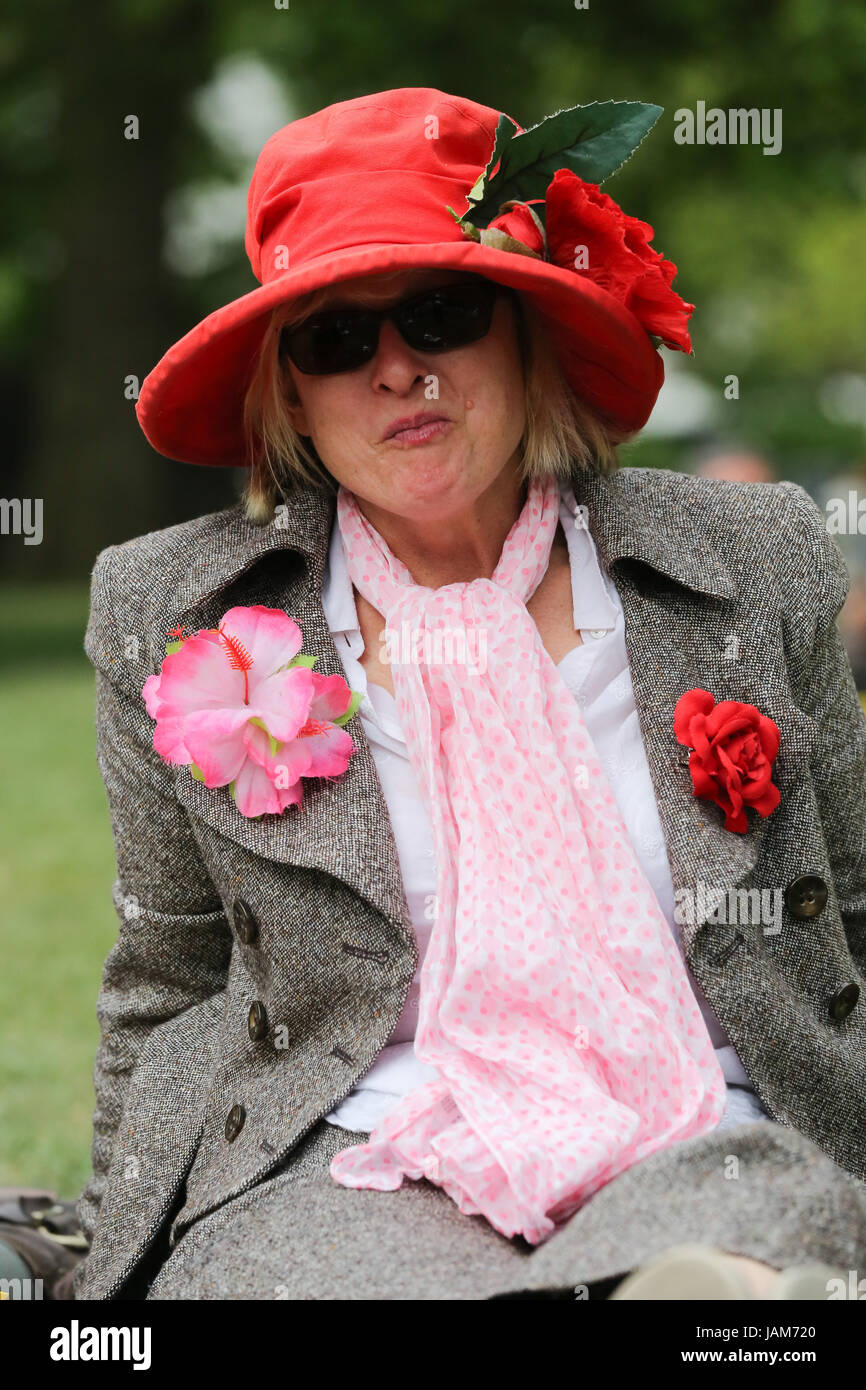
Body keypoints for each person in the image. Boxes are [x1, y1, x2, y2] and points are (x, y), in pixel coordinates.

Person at [71, 87, 866, 1301]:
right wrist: (105, 1252)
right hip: (362, 1153)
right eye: (334, 340)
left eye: (440, 317)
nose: (396, 370)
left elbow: (852, 904)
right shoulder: (166, 610)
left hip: (710, 1118)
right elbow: (167, 980)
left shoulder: (754, 554)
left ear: (524, 336)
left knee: (754, 1243)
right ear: (288, 394)